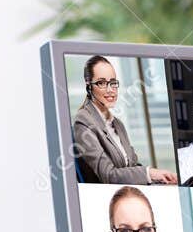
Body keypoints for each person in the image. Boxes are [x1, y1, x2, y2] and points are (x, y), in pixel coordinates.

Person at [70, 55, 178, 185]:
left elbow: (133, 165)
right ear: (89, 86)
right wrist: (150, 173)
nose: (110, 90)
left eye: (113, 82)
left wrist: (158, 179)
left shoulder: (117, 124)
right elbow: (108, 176)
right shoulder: (83, 122)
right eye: (101, 83)